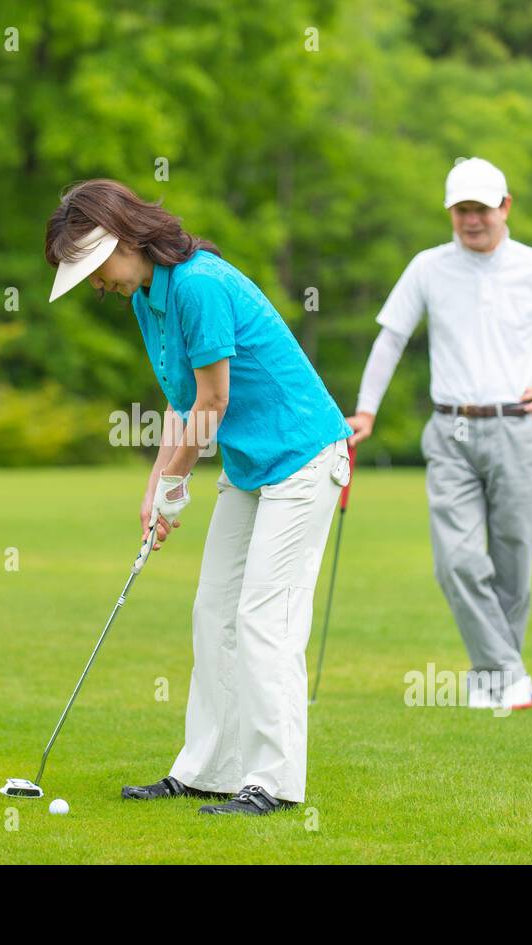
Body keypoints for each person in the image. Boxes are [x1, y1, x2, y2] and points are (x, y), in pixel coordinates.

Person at [45, 179, 352, 814]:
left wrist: (179, 483)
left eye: (97, 270)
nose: (98, 286)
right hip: (249, 465)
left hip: (303, 457)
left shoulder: (200, 285)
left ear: (126, 240)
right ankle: (211, 768)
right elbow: (183, 401)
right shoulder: (146, 299)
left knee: (266, 619)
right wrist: (156, 486)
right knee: (213, 611)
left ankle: (274, 782)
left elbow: (216, 402)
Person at [346, 158, 532, 710]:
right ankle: (508, 672)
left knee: (513, 561)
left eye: (481, 208)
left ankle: (492, 681)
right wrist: (367, 412)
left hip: (518, 426)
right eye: (461, 210)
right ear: (451, 213)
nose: (471, 219)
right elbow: (390, 340)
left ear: (504, 208)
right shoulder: (427, 268)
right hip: (450, 427)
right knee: (456, 561)